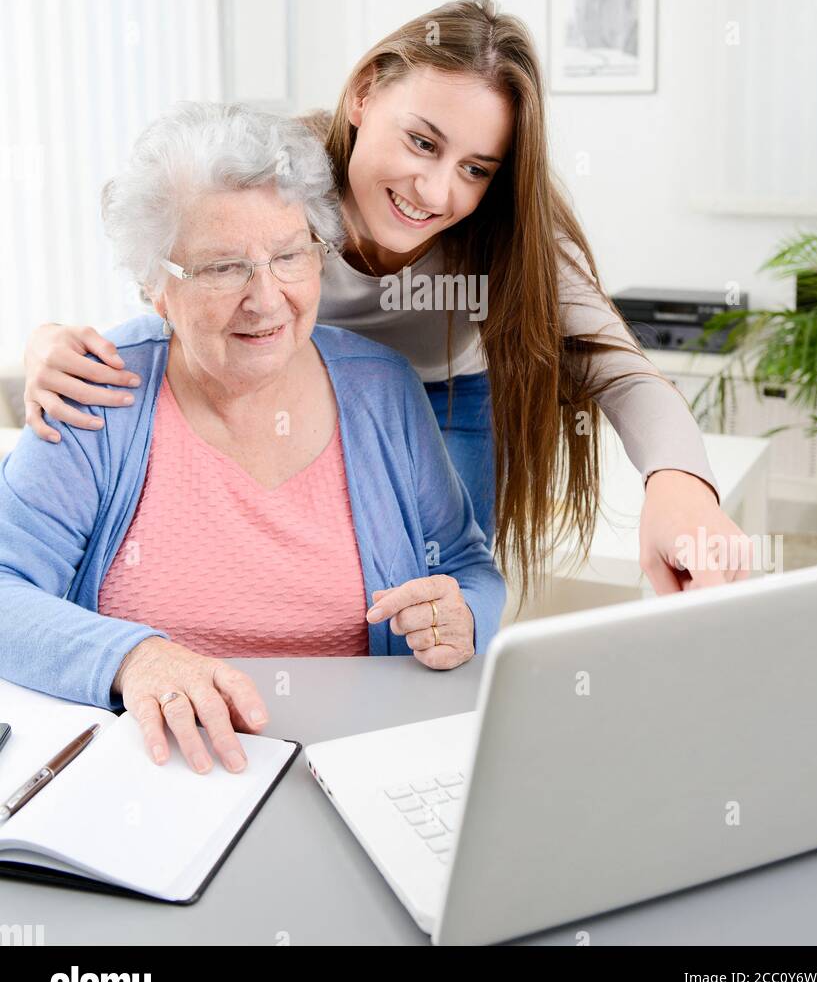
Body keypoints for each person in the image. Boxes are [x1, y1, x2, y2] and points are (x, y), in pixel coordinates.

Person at [22, 0, 751, 604]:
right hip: (306, 390)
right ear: (364, 93)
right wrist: (49, 338)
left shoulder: (511, 231)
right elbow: (175, 264)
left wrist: (680, 486)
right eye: (422, 143)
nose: (435, 191)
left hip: (450, 399)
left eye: (475, 168)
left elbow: (620, 370)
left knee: (443, 594)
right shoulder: (283, 175)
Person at [0, 104, 504, 774]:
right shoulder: (97, 389)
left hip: (357, 763)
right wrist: (133, 657)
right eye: (221, 267)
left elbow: (468, 568)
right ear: (155, 284)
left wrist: (464, 614)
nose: (266, 300)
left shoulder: (383, 388)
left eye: (290, 256)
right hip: (161, 770)